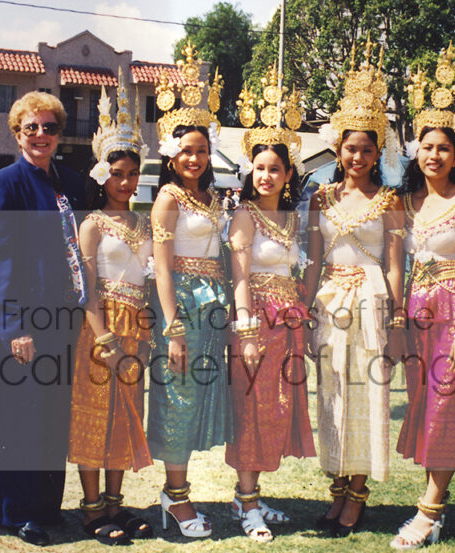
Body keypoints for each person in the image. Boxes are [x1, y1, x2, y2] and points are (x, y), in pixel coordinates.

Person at [304, 39, 406, 538]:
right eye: (351, 148)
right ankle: (336, 490)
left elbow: (394, 261)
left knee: (366, 394)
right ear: (338, 148)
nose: (358, 156)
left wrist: (397, 316)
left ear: (377, 151)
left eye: (368, 149)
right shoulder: (319, 198)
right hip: (328, 303)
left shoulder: (390, 200)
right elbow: (313, 259)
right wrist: (304, 311)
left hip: (370, 301)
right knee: (332, 395)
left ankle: (357, 497)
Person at [0, 91, 87, 546]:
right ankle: (18, 511)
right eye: (31, 127)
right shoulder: (3, 183)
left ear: (60, 133)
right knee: (20, 418)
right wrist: (14, 326)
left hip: (63, 320)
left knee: (52, 417)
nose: (41, 135)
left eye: (50, 127)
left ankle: (46, 505)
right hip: (23, 323)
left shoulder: (67, 182)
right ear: (17, 132)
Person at [392, 45, 455, 549]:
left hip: (454, 315)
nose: (434, 155)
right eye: (427, 146)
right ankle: (432, 500)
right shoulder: (407, 204)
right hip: (416, 317)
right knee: (424, 404)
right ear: (417, 152)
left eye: (444, 149)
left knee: (446, 405)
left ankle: (430, 511)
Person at [225, 67, 316, 543]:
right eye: (259, 167)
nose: (265, 175)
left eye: (274, 168)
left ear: (288, 174)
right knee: (251, 409)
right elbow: (239, 275)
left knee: (275, 409)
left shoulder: (291, 219)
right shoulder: (244, 214)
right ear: (250, 171)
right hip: (255, 322)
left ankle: (252, 496)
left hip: (288, 324)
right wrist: (246, 330)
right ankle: (248, 504)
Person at [147, 40, 230, 538]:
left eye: (201, 150)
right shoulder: (168, 198)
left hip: (212, 308)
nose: (194, 157)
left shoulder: (212, 197)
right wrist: (173, 327)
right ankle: (174, 497)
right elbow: (160, 267)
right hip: (180, 307)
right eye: (186, 150)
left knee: (195, 397)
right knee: (176, 396)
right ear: (171, 155)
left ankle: (181, 491)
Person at [67, 77, 153, 546]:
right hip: (101, 332)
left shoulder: (143, 222)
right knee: (94, 413)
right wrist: (106, 342)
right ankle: (91, 507)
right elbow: (87, 288)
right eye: (117, 174)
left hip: (136, 329)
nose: (125, 183)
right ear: (103, 175)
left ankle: (117, 505)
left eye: (132, 175)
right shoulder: (92, 224)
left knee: (126, 415)